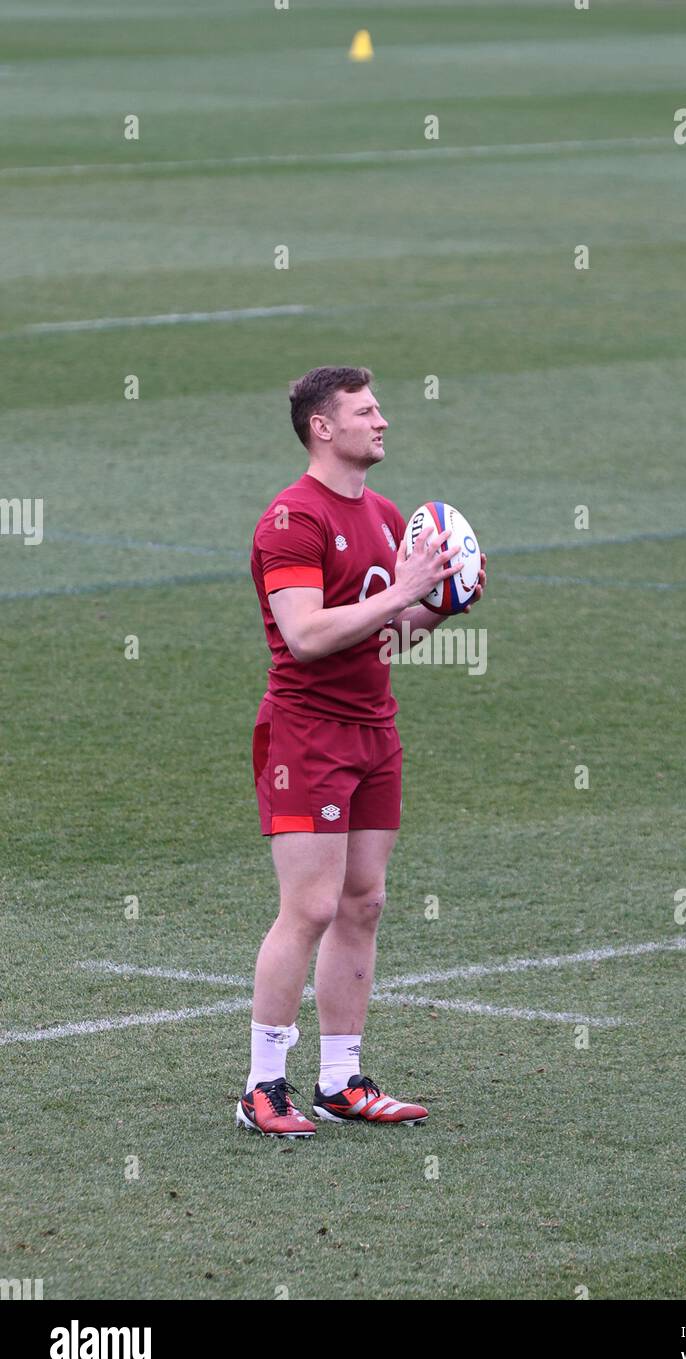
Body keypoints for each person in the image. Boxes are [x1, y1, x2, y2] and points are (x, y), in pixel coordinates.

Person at [237, 365, 487, 1136]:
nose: (382, 422)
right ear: (323, 426)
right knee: (309, 906)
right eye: (366, 411)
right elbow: (309, 635)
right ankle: (262, 1087)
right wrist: (402, 585)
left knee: (363, 903)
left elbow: (384, 633)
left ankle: (340, 1081)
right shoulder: (292, 519)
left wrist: (442, 601)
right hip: (306, 734)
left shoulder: (384, 515)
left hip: (374, 728)